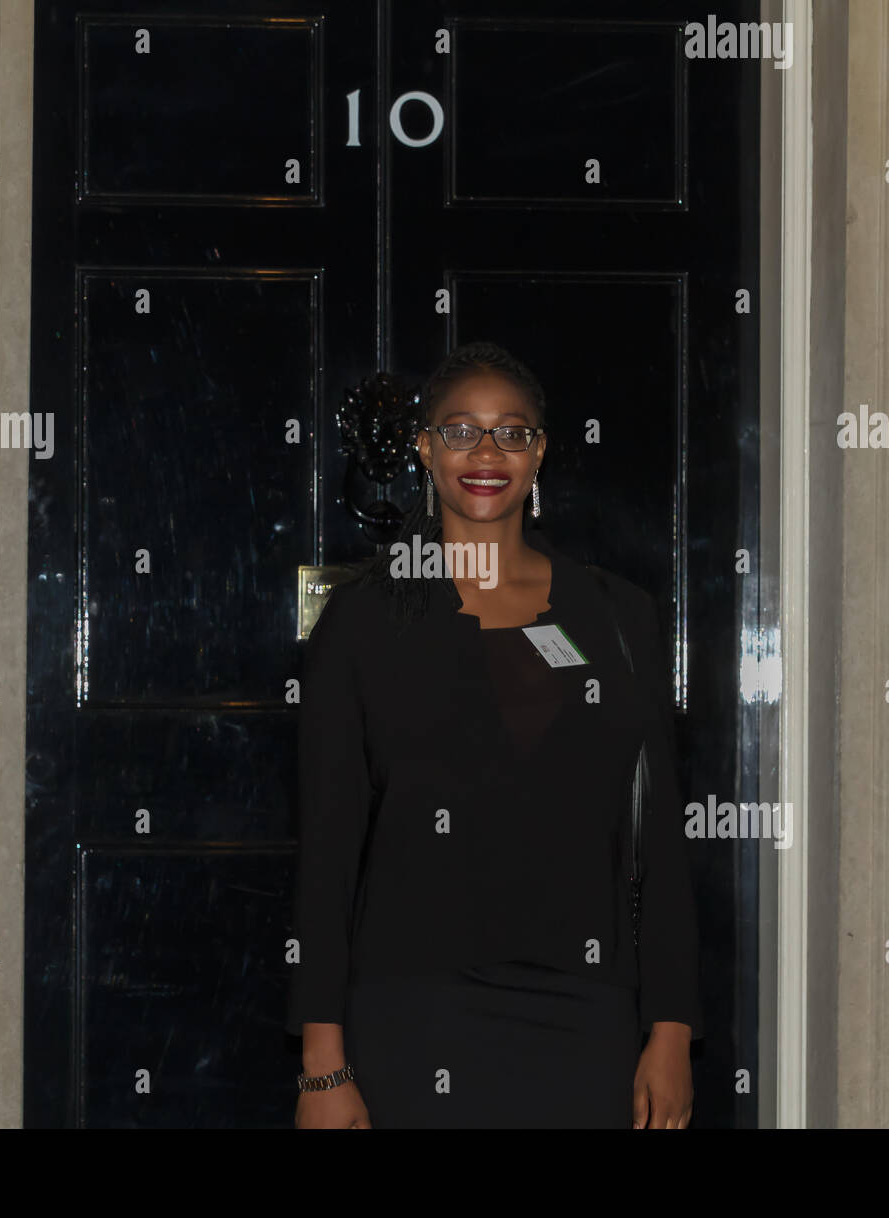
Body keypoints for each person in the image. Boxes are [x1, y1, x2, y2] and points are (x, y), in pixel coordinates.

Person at [286, 341, 701, 1128]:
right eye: (461, 431)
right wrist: (321, 1066)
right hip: (411, 1011)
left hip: (585, 1015)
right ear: (424, 448)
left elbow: (659, 843)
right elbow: (327, 853)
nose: (486, 452)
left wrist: (671, 1029)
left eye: (512, 433)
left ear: (540, 452)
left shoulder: (618, 617)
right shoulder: (363, 622)